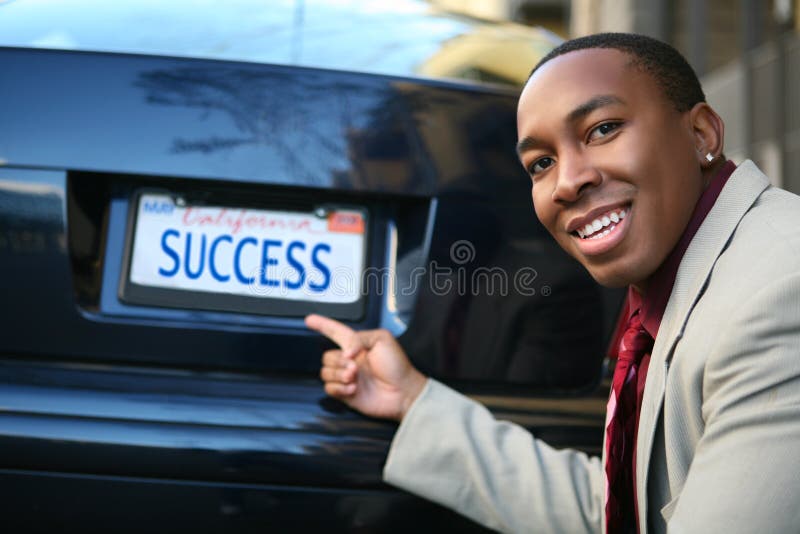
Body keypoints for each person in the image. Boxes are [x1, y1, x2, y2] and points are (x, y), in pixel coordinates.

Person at [306, 33, 800, 533]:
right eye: (541, 163)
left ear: (701, 134)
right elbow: (615, 514)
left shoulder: (779, 293)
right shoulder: (689, 282)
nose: (566, 182)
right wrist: (413, 401)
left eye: (603, 129)